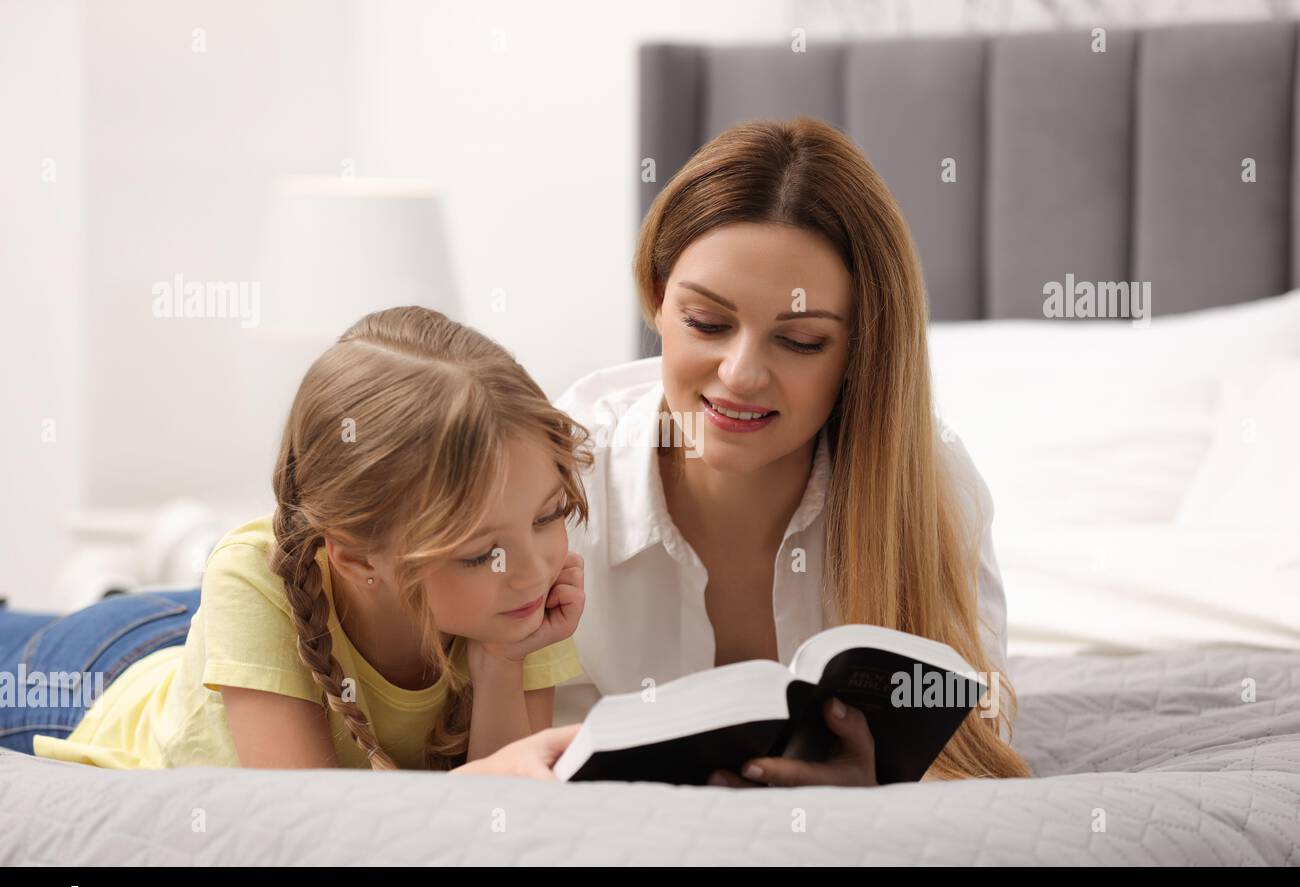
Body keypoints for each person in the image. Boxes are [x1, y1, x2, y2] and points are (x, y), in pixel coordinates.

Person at [552, 117, 1032, 786]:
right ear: (659, 302)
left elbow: (974, 740)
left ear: (861, 352)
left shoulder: (930, 485)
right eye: (707, 323)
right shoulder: (557, 477)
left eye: (801, 340)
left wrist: (885, 790)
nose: (742, 374)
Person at [4, 307, 591, 774]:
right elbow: (309, 831)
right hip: (106, 675)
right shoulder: (249, 578)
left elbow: (509, 812)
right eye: (476, 553)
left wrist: (501, 660)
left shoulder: (513, 598)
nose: (536, 570)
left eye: (548, 516)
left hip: (242, 636)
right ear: (358, 552)